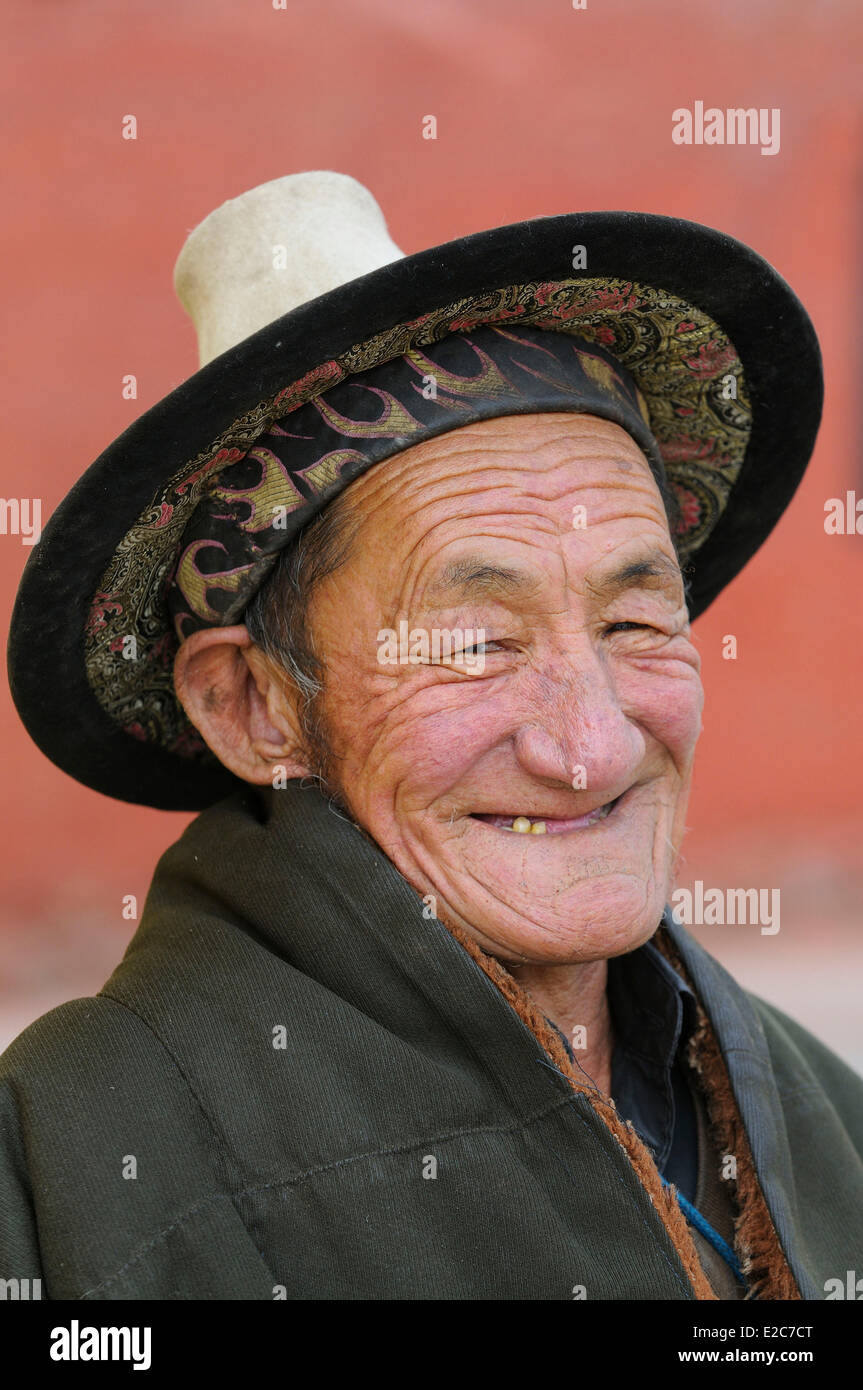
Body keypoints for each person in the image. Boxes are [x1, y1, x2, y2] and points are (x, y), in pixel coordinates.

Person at [3, 172, 861, 1301]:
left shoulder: (811, 1112)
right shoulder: (68, 1174)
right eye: (473, 646)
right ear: (258, 707)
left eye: (633, 619)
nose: (592, 749)